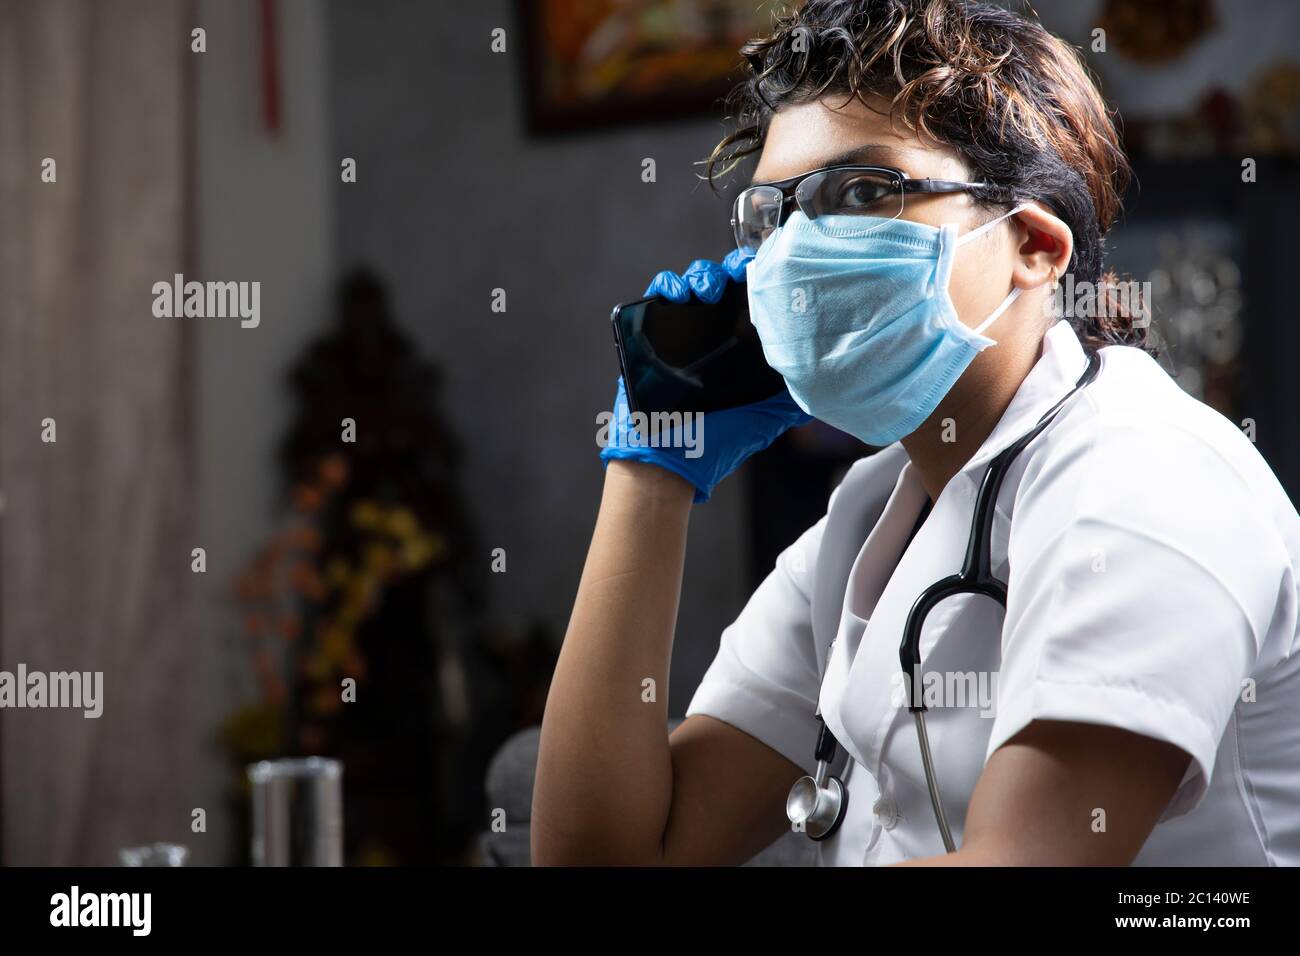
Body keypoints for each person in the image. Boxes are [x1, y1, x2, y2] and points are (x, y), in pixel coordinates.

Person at [532, 0, 1300, 866]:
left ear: (1035, 247)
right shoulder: (868, 520)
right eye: (773, 216)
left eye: (861, 192)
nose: (796, 254)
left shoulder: (1146, 476)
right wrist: (650, 479)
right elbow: (604, 857)